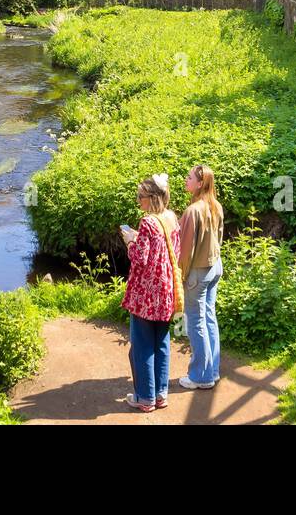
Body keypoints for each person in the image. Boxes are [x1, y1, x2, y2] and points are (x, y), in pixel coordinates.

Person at [121, 174, 180, 412]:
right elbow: (172, 250)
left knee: (143, 344)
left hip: (147, 292)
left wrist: (129, 241)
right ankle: (160, 395)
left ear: (152, 198)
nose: (139, 202)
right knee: (162, 343)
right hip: (166, 290)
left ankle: (145, 398)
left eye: (141, 197)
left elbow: (140, 258)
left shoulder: (148, 223)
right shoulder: (171, 218)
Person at [177, 165, 224, 391]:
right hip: (215, 266)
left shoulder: (193, 211)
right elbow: (220, 238)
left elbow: (185, 250)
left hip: (198, 271)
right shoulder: (216, 206)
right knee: (209, 317)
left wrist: (181, 274)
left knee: (195, 321)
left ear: (200, 183)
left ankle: (200, 376)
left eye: (189, 177)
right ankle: (212, 371)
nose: (185, 180)